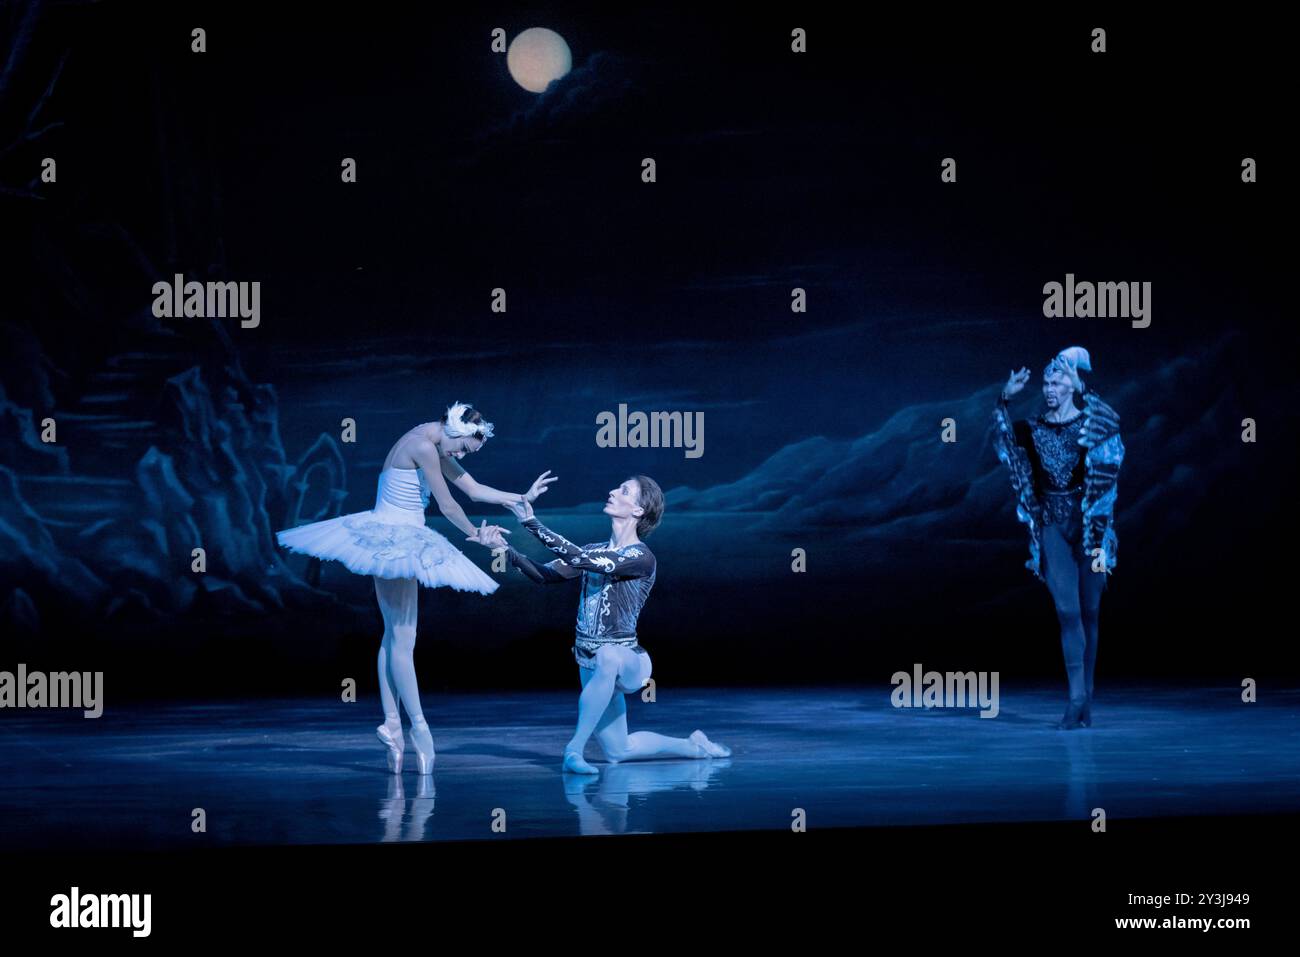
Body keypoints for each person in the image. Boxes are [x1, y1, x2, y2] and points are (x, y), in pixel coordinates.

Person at [275, 401, 556, 773]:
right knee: (404, 637)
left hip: (394, 535)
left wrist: (521, 498)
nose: (461, 456)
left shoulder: (432, 441)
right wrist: (476, 536)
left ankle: (392, 724)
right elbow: (449, 505)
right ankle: (420, 729)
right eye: (463, 449)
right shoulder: (424, 446)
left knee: (394, 636)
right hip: (396, 537)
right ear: (455, 432)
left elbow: (471, 489)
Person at [478, 475, 731, 774]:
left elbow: (586, 560)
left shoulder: (640, 556)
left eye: (624, 491)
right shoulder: (594, 550)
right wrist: (504, 550)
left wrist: (532, 523)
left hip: (629, 661)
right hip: (589, 660)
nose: (612, 491)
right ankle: (694, 747)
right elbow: (545, 575)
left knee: (608, 656)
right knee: (618, 751)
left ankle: (573, 750)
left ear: (638, 510)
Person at [992, 347, 1124, 730]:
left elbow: (1110, 465)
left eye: (1057, 382)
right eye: (1046, 383)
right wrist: (1003, 397)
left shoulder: (1094, 423)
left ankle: (1087, 698)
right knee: (1067, 611)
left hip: (1091, 528)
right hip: (1051, 523)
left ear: (1072, 385)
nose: (1049, 388)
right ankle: (1076, 698)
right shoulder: (1030, 429)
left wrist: (1100, 528)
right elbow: (1001, 438)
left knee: (1090, 611)